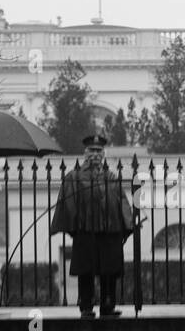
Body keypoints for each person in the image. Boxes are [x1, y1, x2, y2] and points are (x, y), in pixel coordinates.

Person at [49, 134, 136, 319]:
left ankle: (108, 306)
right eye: (92, 151)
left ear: (103, 154)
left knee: (109, 271)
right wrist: (76, 228)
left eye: (99, 151)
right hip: (86, 231)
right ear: (85, 153)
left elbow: (122, 202)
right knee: (86, 272)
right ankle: (86, 307)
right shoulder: (73, 177)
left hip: (109, 232)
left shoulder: (111, 177)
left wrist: (127, 224)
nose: (95, 155)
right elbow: (68, 204)